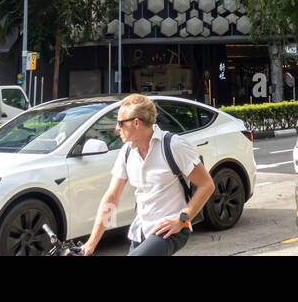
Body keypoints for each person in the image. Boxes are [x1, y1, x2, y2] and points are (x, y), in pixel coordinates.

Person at [81, 94, 215, 256]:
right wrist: (91, 243)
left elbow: (207, 185)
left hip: (170, 230)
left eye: (120, 123)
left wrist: (182, 219)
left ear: (136, 123)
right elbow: (112, 198)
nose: (117, 128)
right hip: (140, 231)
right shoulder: (127, 152)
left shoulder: (173, 145)